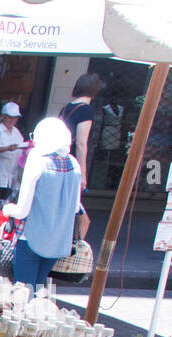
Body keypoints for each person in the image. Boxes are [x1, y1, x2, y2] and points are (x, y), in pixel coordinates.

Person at [3, 117, 82, 293]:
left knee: (23, 293)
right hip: (59, 242)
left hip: (32, 239)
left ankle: (20, 320)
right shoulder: (74, 164)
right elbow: (76, 208)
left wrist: (6, 209)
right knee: (37, 291)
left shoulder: (37, 160)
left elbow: (22, 210)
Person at [59, 72, 101, 239]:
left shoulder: (66, 107)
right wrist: (83, 174)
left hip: (59, 162)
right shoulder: (86, 110)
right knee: (81, 218)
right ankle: (75, 253)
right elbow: (81, 143)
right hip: (71, 166)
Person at [0, 102, 25, 206]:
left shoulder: (16, 132)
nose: (12, 120)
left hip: (11, 179)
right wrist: (7, 148)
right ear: (3, 117)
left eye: (15, 118)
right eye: (10, 117)